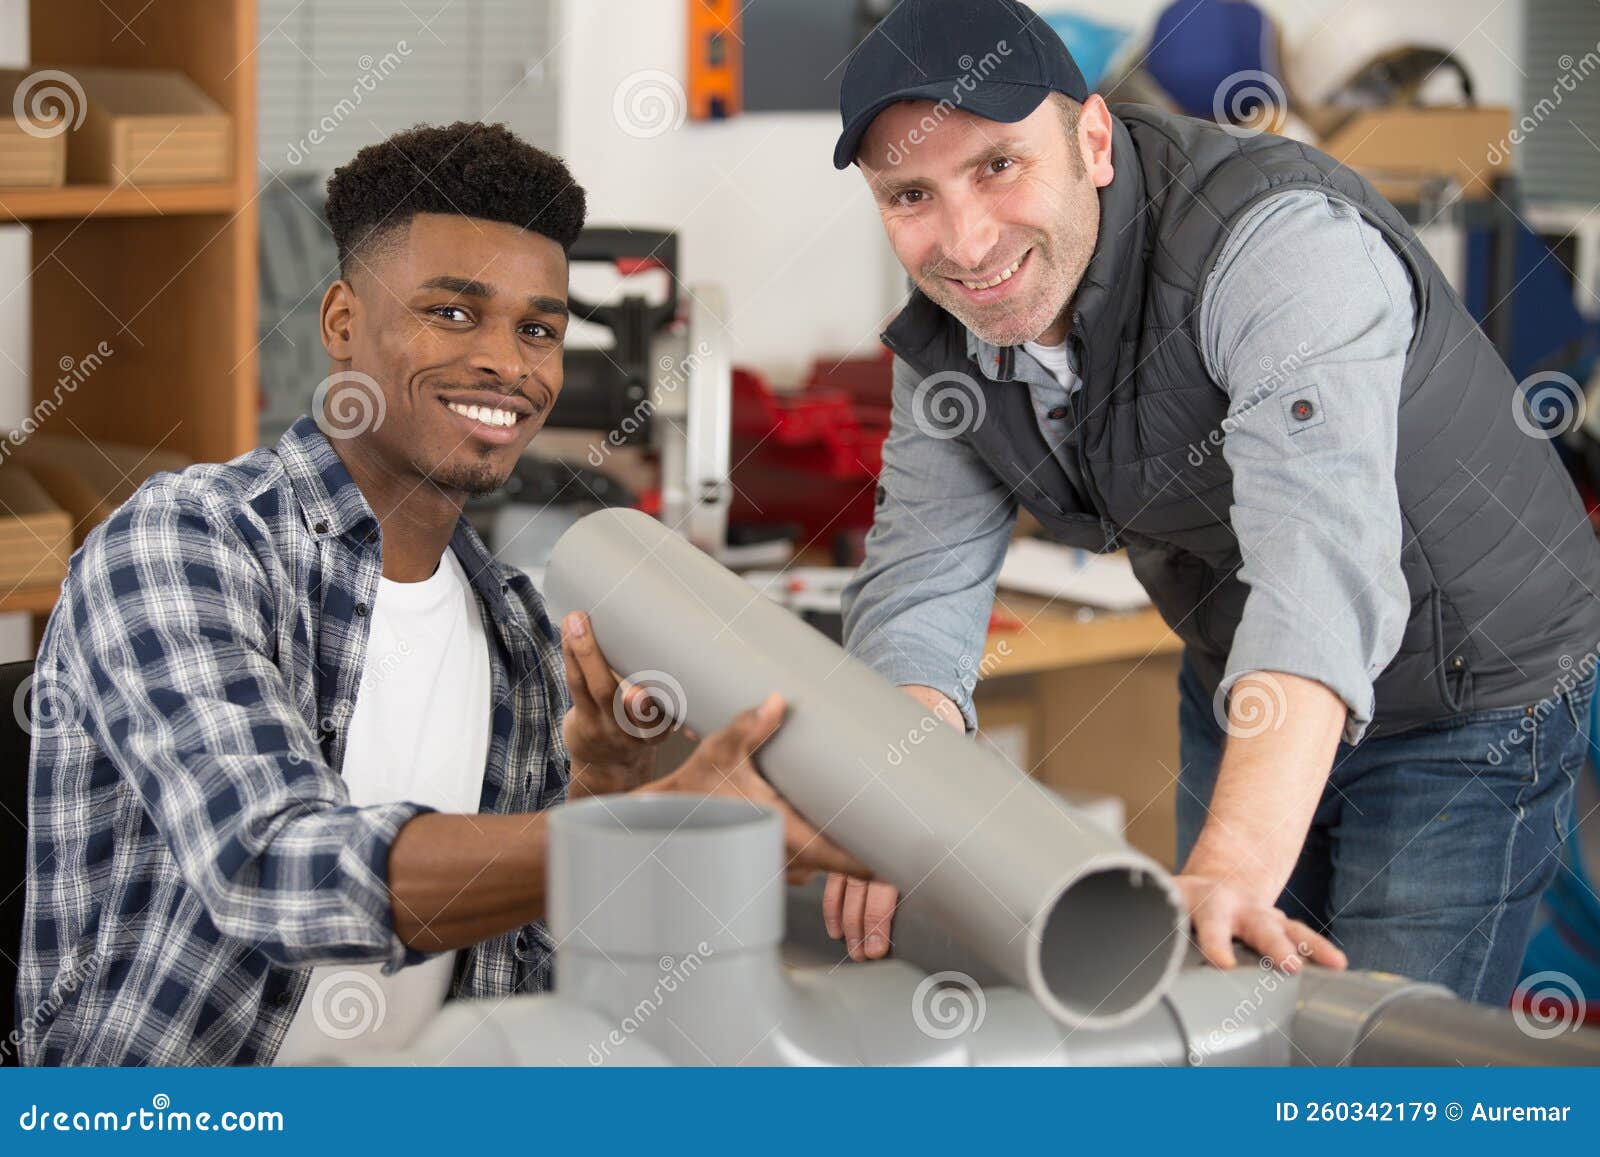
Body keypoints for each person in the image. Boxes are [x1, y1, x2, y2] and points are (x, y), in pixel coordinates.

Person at [18, 122, 861, 1066]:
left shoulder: (515, 627)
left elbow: (524, 977)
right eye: (454, 313)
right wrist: (640, 830)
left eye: (539, 328)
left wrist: (603, 794)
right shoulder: (188, 543)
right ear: (341, 322)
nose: (510, 362)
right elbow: (271, 870)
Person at [824, 0, 1599, 1006]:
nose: (965, 243)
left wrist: (1232, 860)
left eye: (998, 166)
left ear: (1091, 140)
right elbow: (921, 583)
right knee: (1232, 1016)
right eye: (910, 194)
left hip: (1466, 692)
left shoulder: (1275, 247)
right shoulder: (951, 329)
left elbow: (1317, 559)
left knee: (1372, 1054)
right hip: (1247, 673)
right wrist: (891, 794)